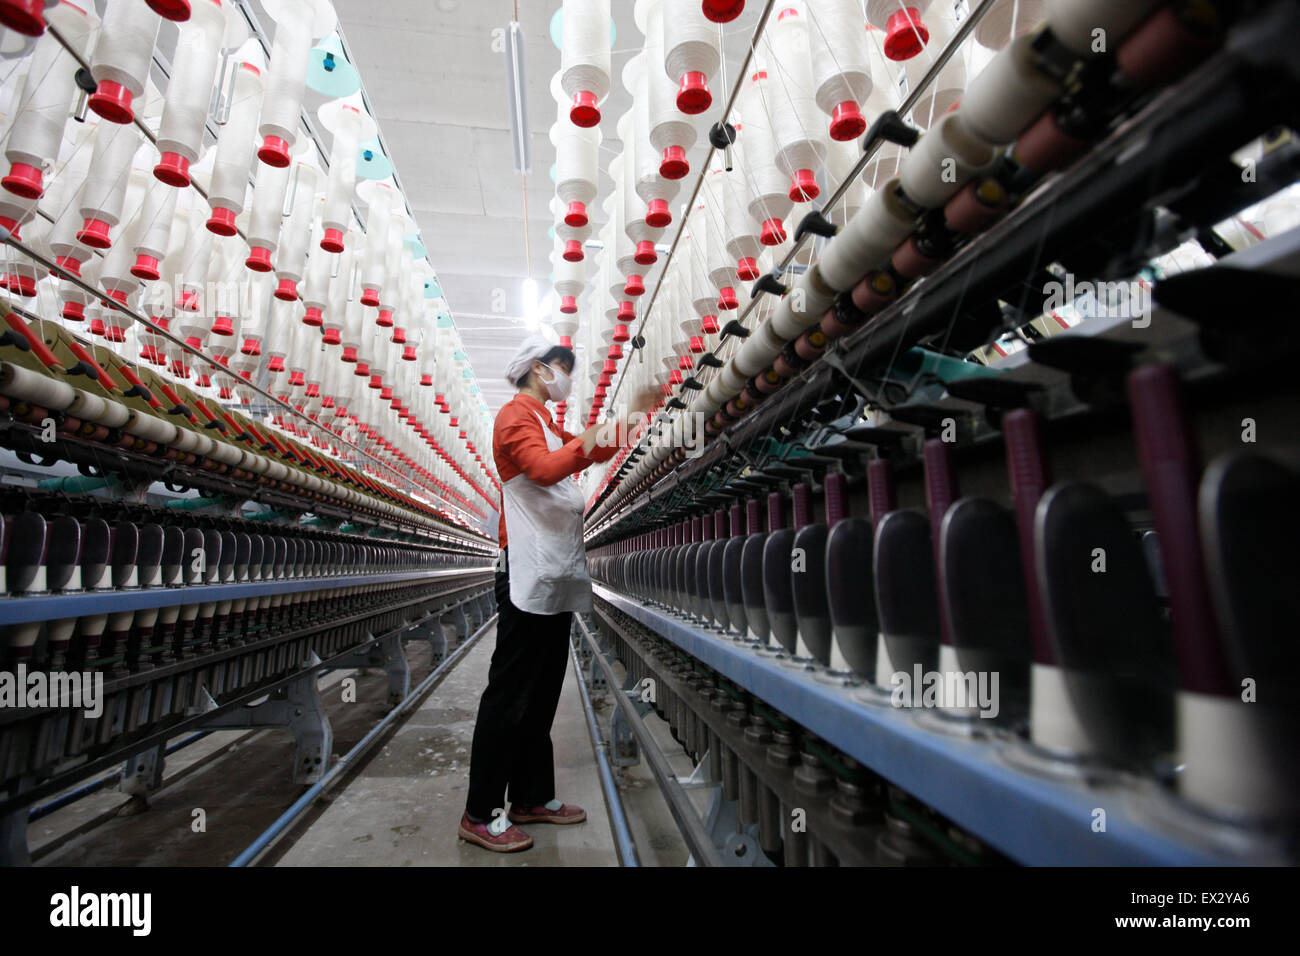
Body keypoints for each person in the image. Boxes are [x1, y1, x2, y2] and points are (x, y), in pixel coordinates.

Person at [458, 334, 646, 852]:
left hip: (551, 575)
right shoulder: (515, 417)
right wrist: (610, 429)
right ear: (540, 370)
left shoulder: (543, 422)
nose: (567, 377)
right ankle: (479, 813)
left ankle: (531, 798)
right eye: (562, 368)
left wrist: (633, 416)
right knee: (510, 694)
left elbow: (579, 449)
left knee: (541, 692)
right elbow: (544, 468)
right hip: (524, 575)